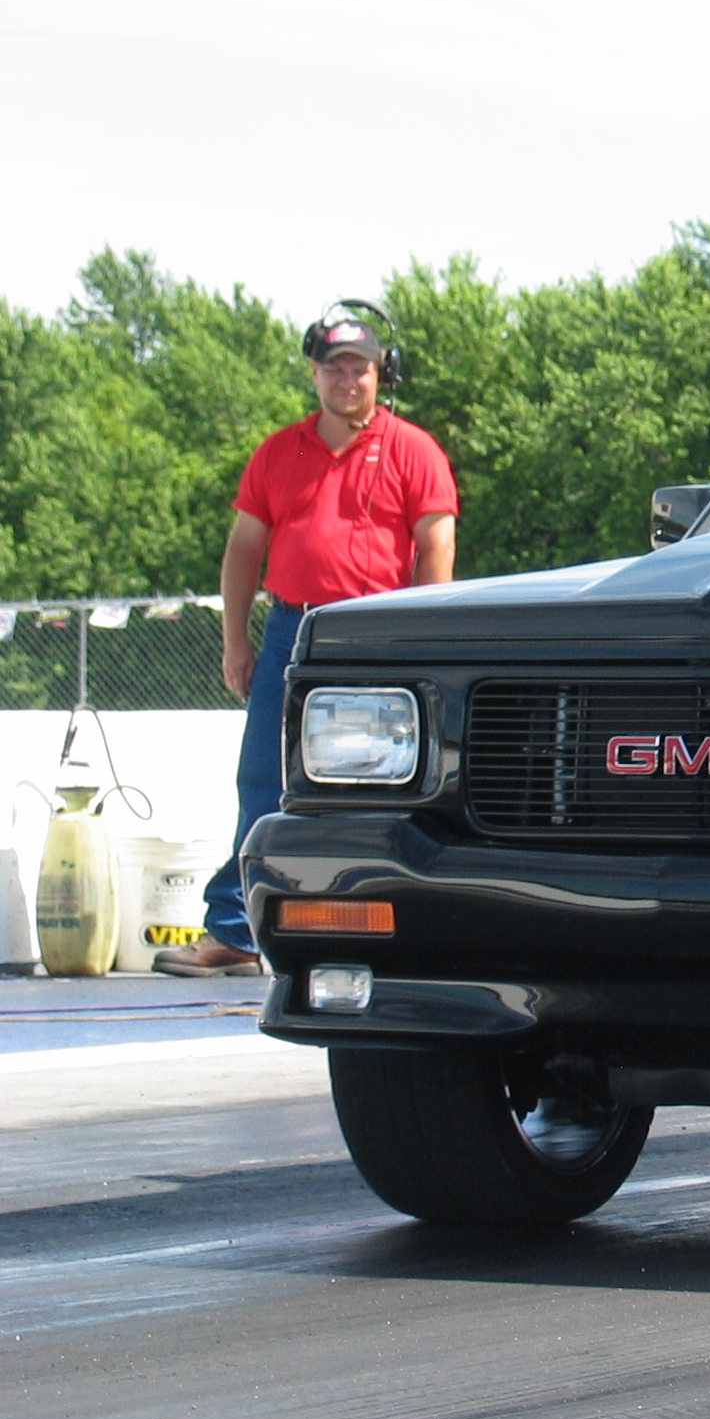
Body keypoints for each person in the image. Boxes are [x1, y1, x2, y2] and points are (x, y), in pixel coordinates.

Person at [156, 305, 458, 976]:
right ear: (315, 374)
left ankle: (391, 922)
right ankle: (235, 930)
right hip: (293, 629)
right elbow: (243, 550)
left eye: (359, 368)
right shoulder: (279, 452)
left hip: (378, 633)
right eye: (334, 367)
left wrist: (423, 635)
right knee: (263, 777)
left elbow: (436, 543)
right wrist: (237, 642)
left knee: (386, 786)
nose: (346, 380)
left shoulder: (413, 449)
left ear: (383, 374)